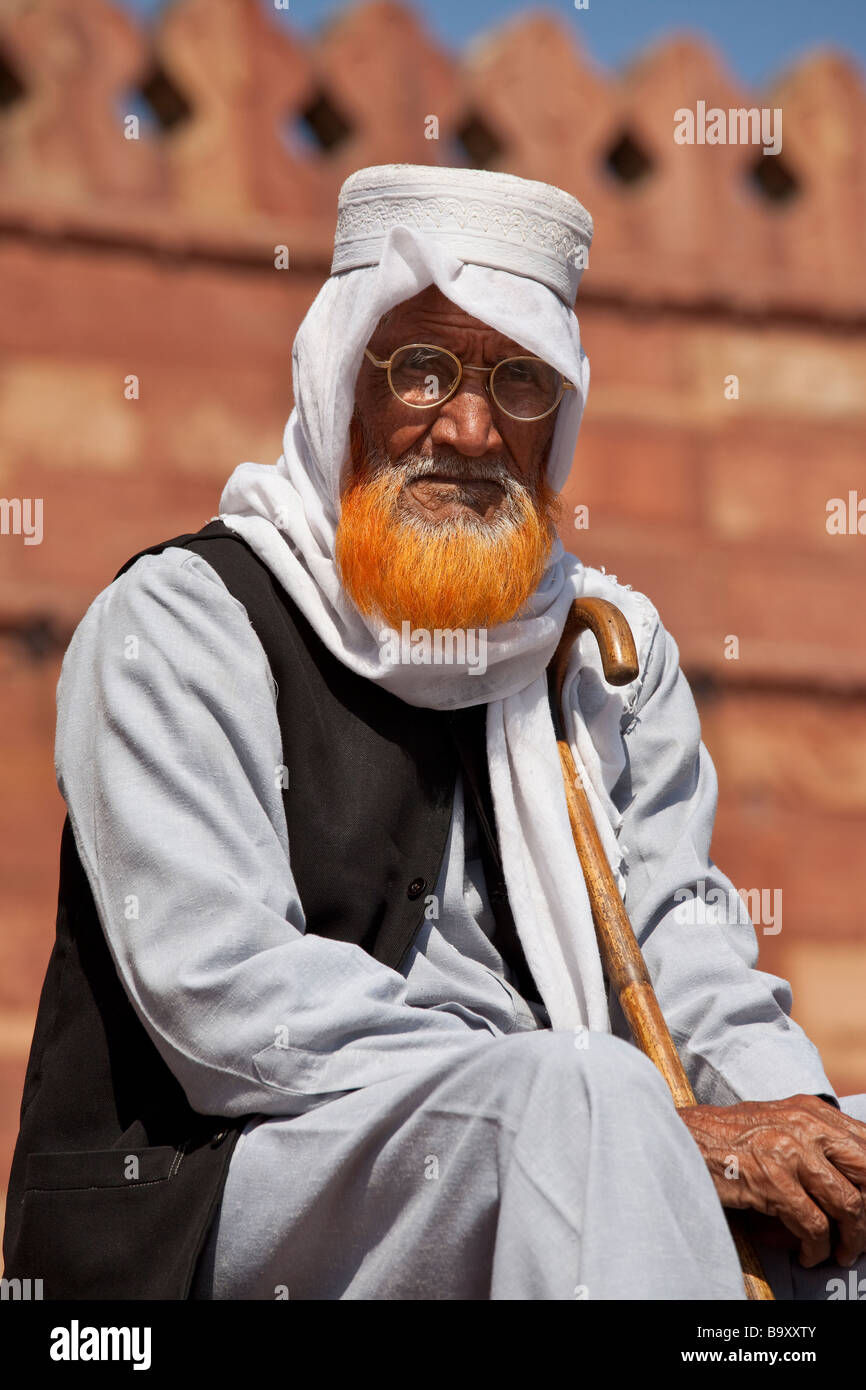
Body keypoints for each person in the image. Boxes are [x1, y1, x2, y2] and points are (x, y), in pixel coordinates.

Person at [4, 164, 866, 1301]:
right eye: (419, 369)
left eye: (515, 380)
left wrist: (803, 1136)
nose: (465, 427)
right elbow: (224, 993)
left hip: (571, 1128)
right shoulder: (183, 622)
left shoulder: (602, 650)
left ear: (557, 415)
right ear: (336, 381)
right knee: (581, 1104)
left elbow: (686, 955)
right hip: (216, 1196)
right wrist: (666, 1132)